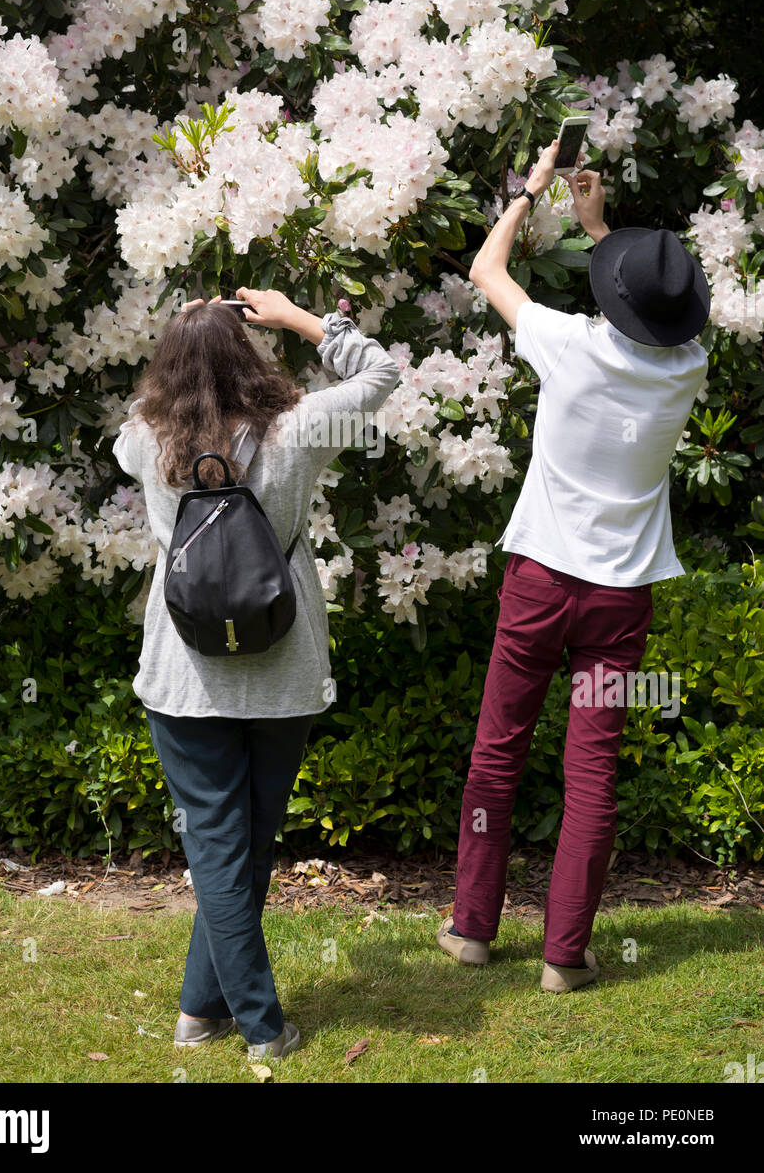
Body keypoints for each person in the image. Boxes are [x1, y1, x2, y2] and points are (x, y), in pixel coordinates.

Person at [437, 140, 710, 992]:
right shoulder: (689, 370)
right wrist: (600, 231)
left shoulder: (566, 345)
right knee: (591, 773)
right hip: (619, 601)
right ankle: (564, 957)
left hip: (540, 585)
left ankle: (474, 930)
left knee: (497, 754)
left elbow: (487, 268)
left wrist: (533, 190)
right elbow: (643, 321)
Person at [112, 288, 399, 1059]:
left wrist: (189, 324)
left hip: (184, 677)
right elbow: (380, 374)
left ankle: (200, 1011)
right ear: (251, 356)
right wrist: (303, 320)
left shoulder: (144, 437)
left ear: (169, 367)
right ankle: (262, 1029)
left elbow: (126, 437)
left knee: (219, 846)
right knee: (247, 845)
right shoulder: (297, 432)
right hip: (281, 673)